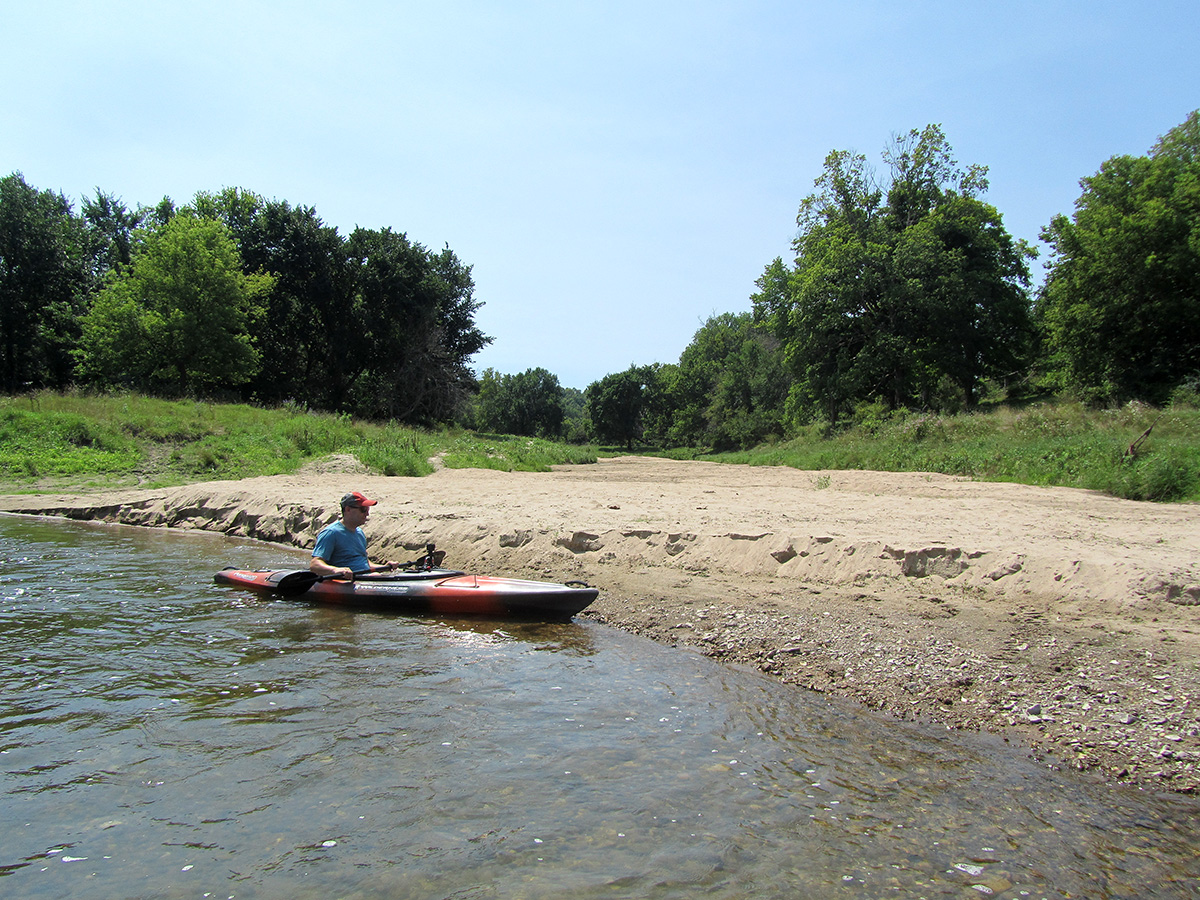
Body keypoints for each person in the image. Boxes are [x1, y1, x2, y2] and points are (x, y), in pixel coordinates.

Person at [310, 491, 399, 579]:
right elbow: (315, 564)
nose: (367, 514)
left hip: (365, 578)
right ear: (348, 509)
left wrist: (384, 567)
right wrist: (335, 570)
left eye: (367, 510)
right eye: (363, 510)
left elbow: (364, 563)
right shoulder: (331, 533)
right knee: (375, 576)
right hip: (346, 581)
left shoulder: (359, 533)